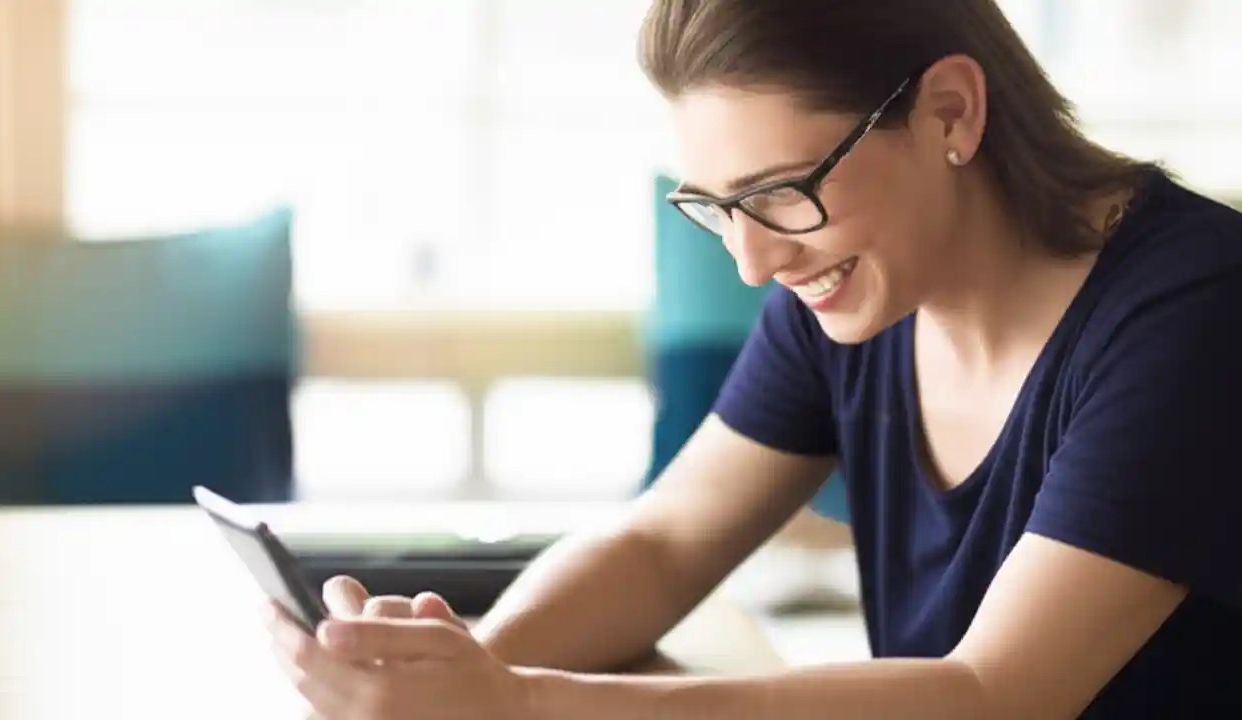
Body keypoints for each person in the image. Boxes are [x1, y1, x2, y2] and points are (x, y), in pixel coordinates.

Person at [262, 1, 1242, 717]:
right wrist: (445, 674)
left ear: (949, 113)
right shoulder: (862, 290)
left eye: (779, 192)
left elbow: (997, 695)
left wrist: (515, 703)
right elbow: (662, 545)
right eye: (718, 207)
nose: (753, 262)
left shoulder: (1196, 309)